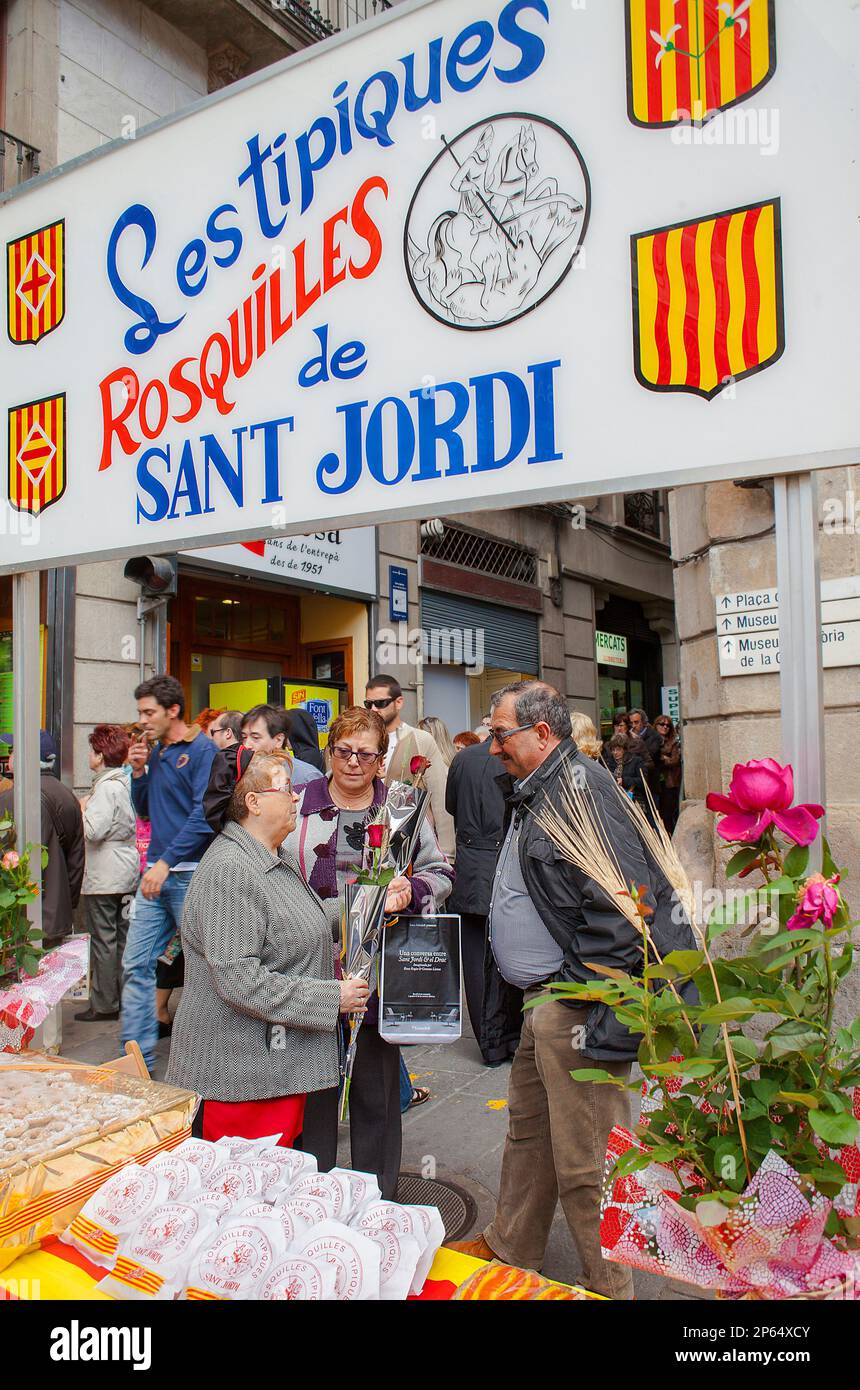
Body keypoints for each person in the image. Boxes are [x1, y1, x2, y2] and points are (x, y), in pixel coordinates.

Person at [449, 681, 694, 1299]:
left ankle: (609, 1283)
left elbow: (623, 907)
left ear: (542, 733)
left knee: (589, 1154)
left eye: (500, 734)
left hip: (579, 1002)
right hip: (546, 999)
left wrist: (584, 997)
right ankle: (513, 1244)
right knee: (528, 1131)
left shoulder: (581, 789)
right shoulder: (541, 785)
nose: (491, 746)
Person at [287, 705, 453, 1196]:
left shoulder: (401, 806)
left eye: (366, 754)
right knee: (315, 1093)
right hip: (311, 971)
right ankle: (314, 1194)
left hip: (378, 972)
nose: (353, 762)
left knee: (376, 1095)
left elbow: (441, 872)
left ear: (382, 759)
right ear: (329, 752)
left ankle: (376, 1198)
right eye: (344, 751)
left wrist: (411, 888)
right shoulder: (297, 804)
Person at [165, 750, 371, 1144]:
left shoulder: (272, 856)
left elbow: (302, 923)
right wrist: (332, 998)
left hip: (276, 1070)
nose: (297, 797)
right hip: (242, 1080)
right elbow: (238, 979)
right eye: (286, 789)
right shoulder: (230, 869)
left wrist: (368, 900)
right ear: (253, 802)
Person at [125, 676, 217, 1073]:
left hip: (189, 874)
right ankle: (138, 1063)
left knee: (204, 971)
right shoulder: (157, 752)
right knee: (135, 964)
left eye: (149, 712)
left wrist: (165, 862)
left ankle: (207, 1061)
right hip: (156, 875)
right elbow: (144, 810)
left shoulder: (202, 750)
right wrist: (139, 773)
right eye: (140, 713)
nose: (143, 720)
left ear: (172, 710)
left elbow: (203, 815)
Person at [445, 736, 520, 1067]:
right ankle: (510, 1037)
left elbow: (451, 804)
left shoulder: (463, 759)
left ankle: (490, 1043)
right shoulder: (514, 759)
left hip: (471, 868)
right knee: (507, 956)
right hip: (503, 864)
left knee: (476, 960)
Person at [75, 725, 139, 1023]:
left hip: (105, 874)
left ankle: (104, 1003)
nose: (89, 756)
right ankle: (125, 999)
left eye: (92, 751)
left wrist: (82, 808)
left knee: (104, 939)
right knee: (124, 938)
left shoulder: (105, 787)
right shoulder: (124, 783)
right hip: (126, 870)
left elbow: (92, 830)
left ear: (100, 755)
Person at [0, 730, 84, 950]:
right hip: (58, 917)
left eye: (13, 751)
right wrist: (66, 905)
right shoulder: (68, 796)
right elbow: (76, 862)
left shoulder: (12, 800)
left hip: (19, 920)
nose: (9, 758)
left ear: (25, 757)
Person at [364, 676, 454, 858]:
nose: (374, 709)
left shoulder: (420, 739)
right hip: (368, 844)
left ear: (398, 702)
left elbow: (439, 797)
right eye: (368, 704)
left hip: (412, 846)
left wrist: (447, 853)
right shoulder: (362, 741)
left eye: (380, 703)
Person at [242, 704, 324, 790]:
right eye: (244, 737)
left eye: (255, 738)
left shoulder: (306, 777)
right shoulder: (243, 770)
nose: (246, 745)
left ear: (278, 740)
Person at [607, 732, 650, 808]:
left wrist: (624, 780)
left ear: (625, 749)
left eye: (618, 749)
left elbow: (643, 781)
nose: (615, 752)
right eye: (613, 750)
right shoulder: (609, 763)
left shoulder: (636, 761)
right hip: (615, 800)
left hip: (634, 801)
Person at [655, 715, 682, 833]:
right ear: (656, 725)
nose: (665, 727)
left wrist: (661, 757)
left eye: (668, 725)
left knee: (667, 814)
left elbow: (674, 760)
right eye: (662, 724)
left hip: (669, 783)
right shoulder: (652, 740)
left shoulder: (673, 742)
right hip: (655, 782)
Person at [628, 707, 662, 796]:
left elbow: (649, 756)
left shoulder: (654, 736)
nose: (633, 726)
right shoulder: (629, 736)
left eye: (636, 722)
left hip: (650, 783)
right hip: (635, 782)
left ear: (643, 722)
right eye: (631, 723)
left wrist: (638, 741)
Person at [285, 708, 326, 774]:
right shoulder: (310, 754)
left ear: (296, 733)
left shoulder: (308, 757)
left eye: (287, 733)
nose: (284, 739)